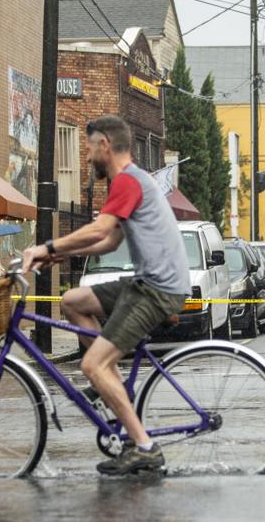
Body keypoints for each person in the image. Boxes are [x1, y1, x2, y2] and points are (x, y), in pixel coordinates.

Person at [22, 115, 190, 476]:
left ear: (105, 146)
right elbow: (110, 240)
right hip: (147, 281)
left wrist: (45, 246)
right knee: (73, 301)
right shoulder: (128, 181)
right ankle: (109, 378)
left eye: (88, 148)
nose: (86, 157)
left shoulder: (128, 180)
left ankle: (144, 447)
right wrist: (59, 255)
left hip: (157, 289)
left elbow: (99, 228)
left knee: (91, 365)